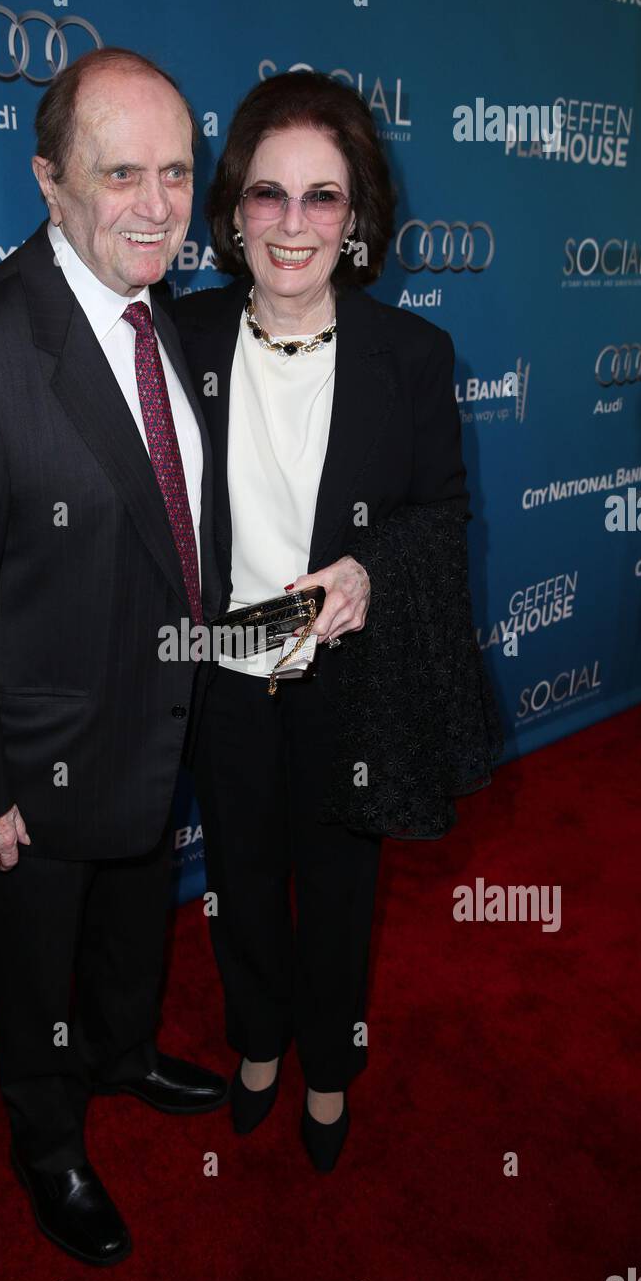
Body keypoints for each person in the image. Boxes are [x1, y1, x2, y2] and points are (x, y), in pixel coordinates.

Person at [0, 48, 227, 1267]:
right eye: (119, 170)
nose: (156, 202)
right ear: (46, 181)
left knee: (136, 931)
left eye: (176, 170)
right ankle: (49, 1145)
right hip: (29, 767)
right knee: (36, 981)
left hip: (152, 727)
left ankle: (123, 1054)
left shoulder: (165, 324)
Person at [172, 71, 503, 1173]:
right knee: (242, 877)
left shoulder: (408, 356)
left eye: (322, 197)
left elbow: (440, 514)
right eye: (268, 195)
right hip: (223, 666)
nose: (294, 223)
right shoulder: (178, 338)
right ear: (231, 213)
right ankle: (256, 1046)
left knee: (340, 887)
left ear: (356, 218)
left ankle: (326, 1065)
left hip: (347, 673)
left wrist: (368, 566)